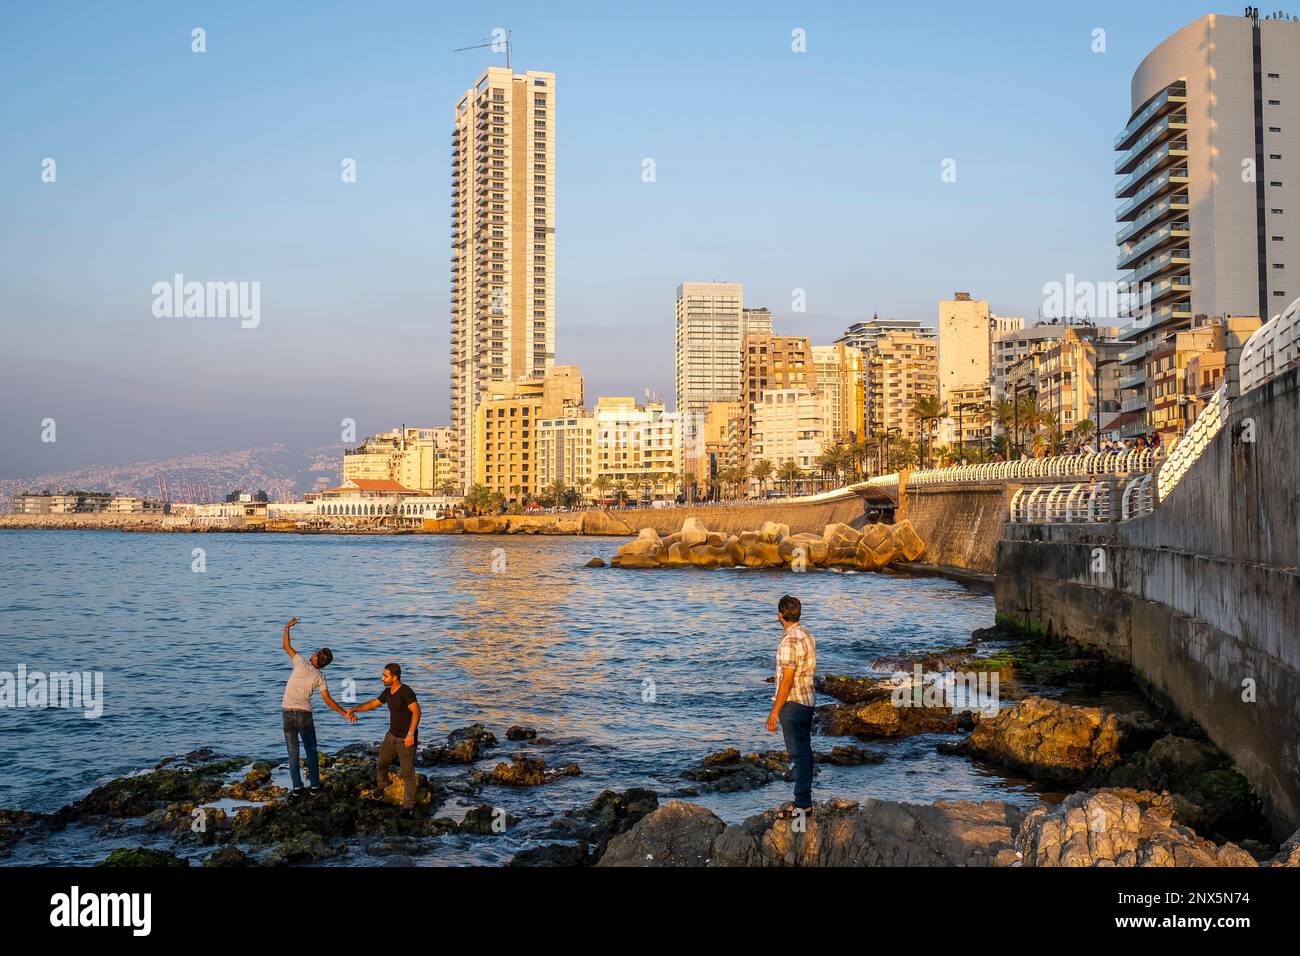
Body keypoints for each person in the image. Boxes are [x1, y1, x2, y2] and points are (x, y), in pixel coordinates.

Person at [281, 617, 355, 796]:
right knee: (311, 751)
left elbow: (286, 646)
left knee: (293, 753)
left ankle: (297, 788)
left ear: (315, 657)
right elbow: (328, 700)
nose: (313, 653)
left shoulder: (301, 663)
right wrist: (344, 712)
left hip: (288, 713)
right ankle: (315, 786)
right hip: (305, 715)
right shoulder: (320, 677)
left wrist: (287, 627)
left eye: (315, 652)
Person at [765, 595, 817, 819]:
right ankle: (803, 800)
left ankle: (802, 805)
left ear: (779, 615)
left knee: (799, 754)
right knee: (805, 752)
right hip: (808, 701)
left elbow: (787, 680)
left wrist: (774, 712)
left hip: (793, 704)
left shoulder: (789, 642)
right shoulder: (806, 634)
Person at [347, 663, 422, 813]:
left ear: (394, 677)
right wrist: (355, 709)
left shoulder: (406, 692)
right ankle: (382, 785)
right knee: (381, 763)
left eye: (385, 676)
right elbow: (373, 704)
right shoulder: (387, 692)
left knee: (407, 773)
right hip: (391, 736)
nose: (382, 678)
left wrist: (410, 734)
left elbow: (417, 712)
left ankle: (408, 807)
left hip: (406, 740)